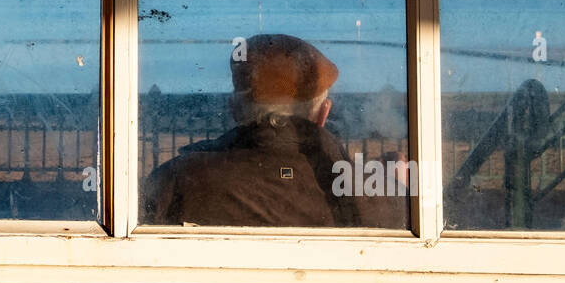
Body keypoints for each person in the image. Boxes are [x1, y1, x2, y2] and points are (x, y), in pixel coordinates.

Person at [142, 33, 409, 228]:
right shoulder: (376, 197)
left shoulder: (177, 181)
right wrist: (394, 185)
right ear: (323, 113)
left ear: (234, 109)